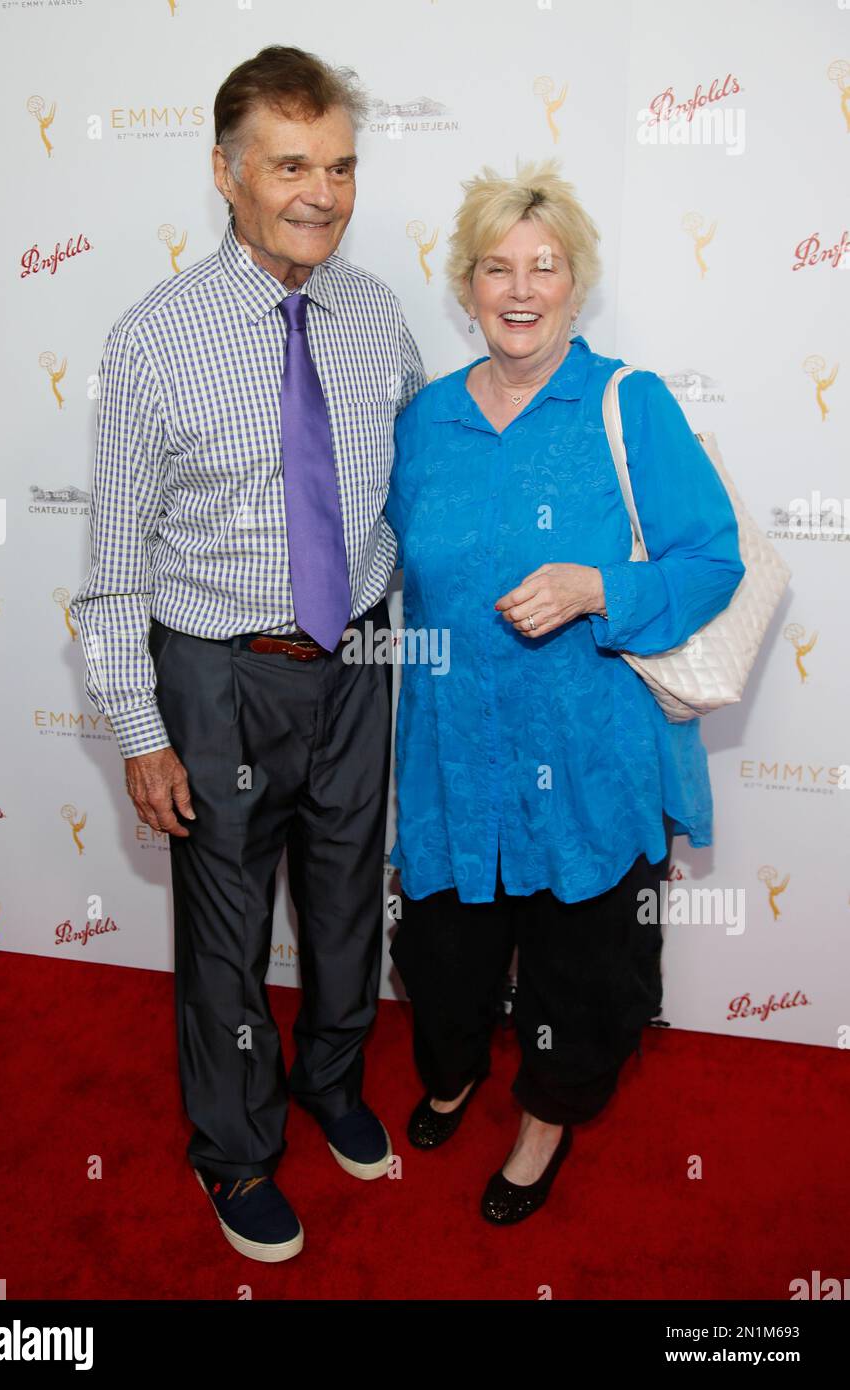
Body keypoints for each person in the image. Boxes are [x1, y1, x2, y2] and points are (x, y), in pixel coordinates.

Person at [70, 46, 426, 1263]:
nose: (320, 191)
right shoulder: (153, 340)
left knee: (342, 902)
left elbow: (401, 499)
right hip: (219, 675)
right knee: (225, 935)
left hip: (359, 655)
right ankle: (233, 1150)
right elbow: (113, 566)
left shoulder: (378, 315)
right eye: (289, 165)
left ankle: (330, 1082)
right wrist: (138, 728)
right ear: (226, 173)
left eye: (338, 165)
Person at [384, 158, 745, 1226]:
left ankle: (543, 1121)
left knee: (575, 969)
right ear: (466, 288)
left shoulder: (624, 402)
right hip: (453, 753)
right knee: (441, 956)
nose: (519, 287)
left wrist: (601, 588)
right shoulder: (425, 420)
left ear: (573, 286)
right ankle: (450, 1075)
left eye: (542, 266)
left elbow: (710, 558)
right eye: (495, 267)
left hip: (587, 757)